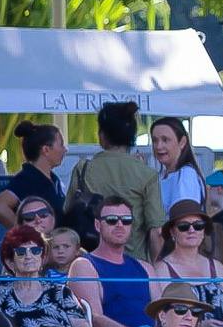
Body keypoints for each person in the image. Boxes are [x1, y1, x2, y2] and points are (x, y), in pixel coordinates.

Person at [62, 102, 163, 256]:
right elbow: (156, 230)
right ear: (132, 135)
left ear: (102, 135)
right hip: (135, 264)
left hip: (92, 262)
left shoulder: (83, 169)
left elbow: (67, 211)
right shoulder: (147, 174)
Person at [68, 194, 157, 327]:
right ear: (98, 225)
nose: (120, 225)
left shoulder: (145, 268)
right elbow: (95, 320)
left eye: (126, 221)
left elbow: (163, 314)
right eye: (112, 220)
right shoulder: (84, 265)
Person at [148, 200, 223, 327]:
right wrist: (199, 326)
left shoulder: (217, 267)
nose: (192, 230)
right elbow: (161, 319)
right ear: (173, 232)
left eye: (198, 226)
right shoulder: (162, 270)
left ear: (204, 231)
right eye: (184, 226)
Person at [0, 121, 65, 229]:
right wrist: (25, 233)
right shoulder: (27, 179)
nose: (65, 149)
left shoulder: (54, 180)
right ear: (46, 150)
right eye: (61, 144)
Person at [150, 116, 207, 223]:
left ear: (182, 142)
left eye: (165, 140)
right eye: (155, 140)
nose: (158, 146)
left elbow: (185, 220)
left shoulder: (186, 175)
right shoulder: (162, 175)